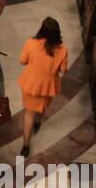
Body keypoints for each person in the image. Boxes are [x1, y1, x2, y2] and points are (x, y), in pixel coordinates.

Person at [17, 17, 68, 157]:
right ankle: (38, 122)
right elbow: (63, 71)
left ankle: (25, 145)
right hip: (48, 86)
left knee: (28, 113)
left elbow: (22, 61)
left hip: (30, 84)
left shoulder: (30, 43)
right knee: (42, 106)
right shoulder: (63, 50)